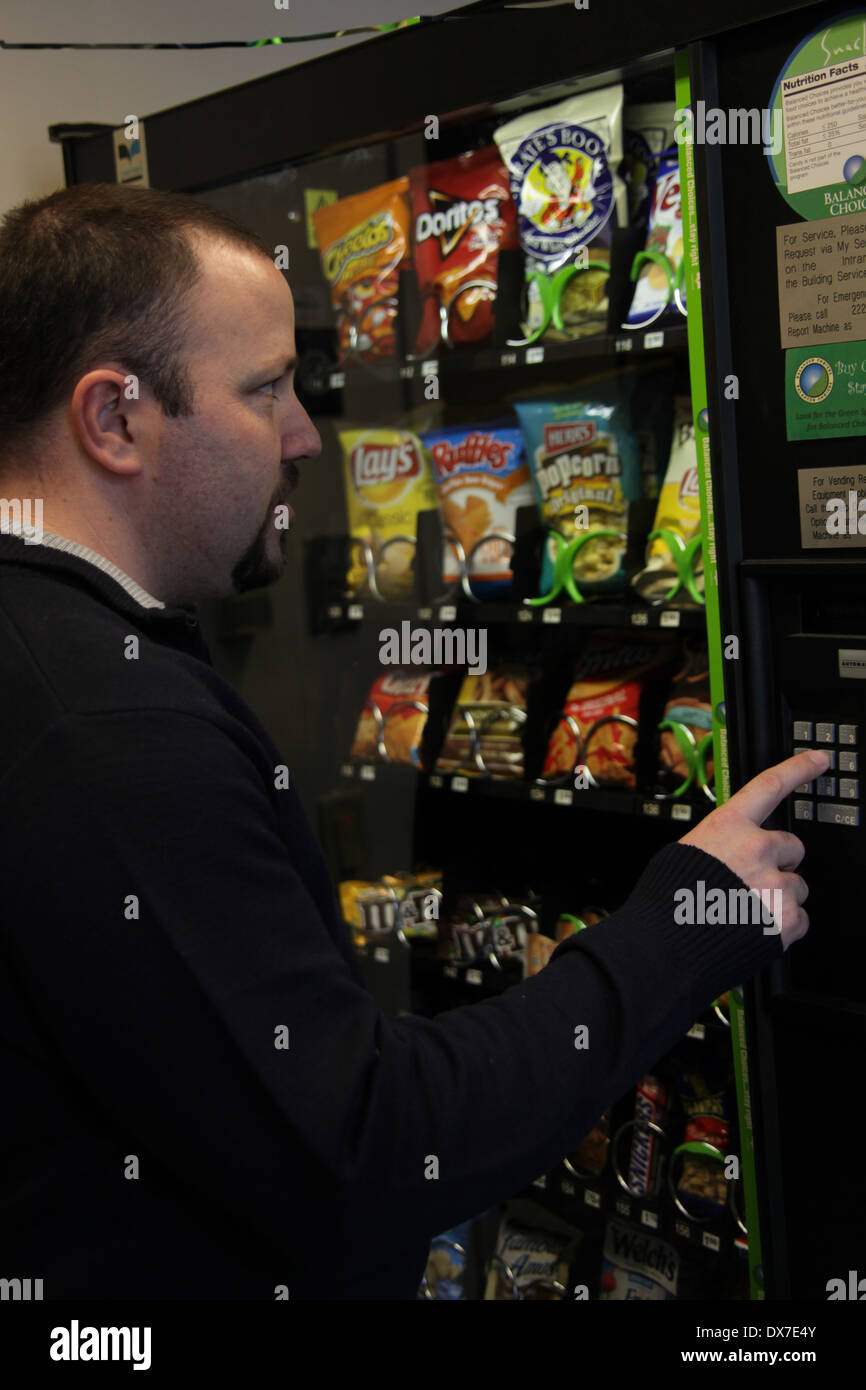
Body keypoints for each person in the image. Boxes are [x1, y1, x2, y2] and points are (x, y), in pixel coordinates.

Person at [0, 183, 827, 1300]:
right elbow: (365, 1154)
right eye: (264, 389)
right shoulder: (111, 725)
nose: (303, 433)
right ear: (115, 418)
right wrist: (683, 924)